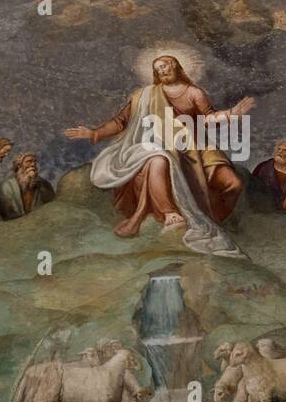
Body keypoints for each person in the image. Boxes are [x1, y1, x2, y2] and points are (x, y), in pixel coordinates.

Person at [64, 54, 248, 254]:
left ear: (176, 67)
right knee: (158, 159)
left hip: (196, 148)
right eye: (158, 69)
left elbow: (210, 117)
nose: (162, 71)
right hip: (160, 145)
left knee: (233, 184)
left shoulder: (194, 92)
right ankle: (170, 213)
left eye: (165, 66)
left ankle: (210, 220)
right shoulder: (144, 96)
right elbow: (120, 121)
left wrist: (231, 113)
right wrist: (95, 133)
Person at [0, 152, 57, 219]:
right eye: (28, 162)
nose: (33, 164)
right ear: (19, 165)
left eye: (34, 161)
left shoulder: (44, 184)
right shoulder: (6, 186)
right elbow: (7, 213)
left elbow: (51, 206)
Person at [251, 140, 286, 210]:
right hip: (266, 211)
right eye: (279, 149)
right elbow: (252, 191)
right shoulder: (262, 168)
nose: (280, 152)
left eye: (285, 151)